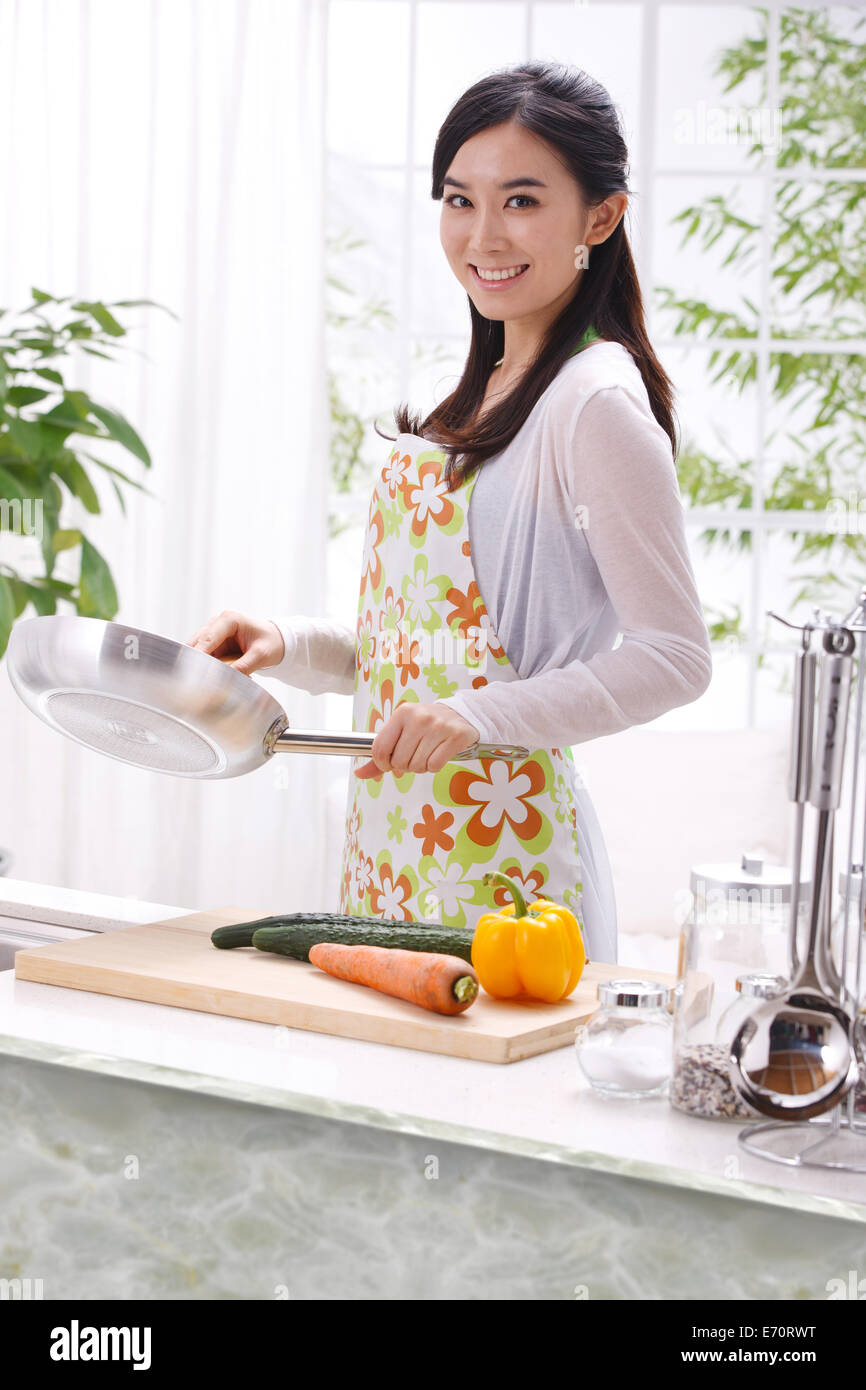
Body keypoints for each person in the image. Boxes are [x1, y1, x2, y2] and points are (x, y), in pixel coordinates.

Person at [186, 61, 712, 963]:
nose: (482, 235)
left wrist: (479, 719)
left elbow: (676, 659)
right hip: (392, 851)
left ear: (601, 217)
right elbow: (429, 661)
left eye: (520, 200)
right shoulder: (466, 391)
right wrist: (290, 642)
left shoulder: (595, 404)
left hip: (513, 878)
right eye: (458, 200)